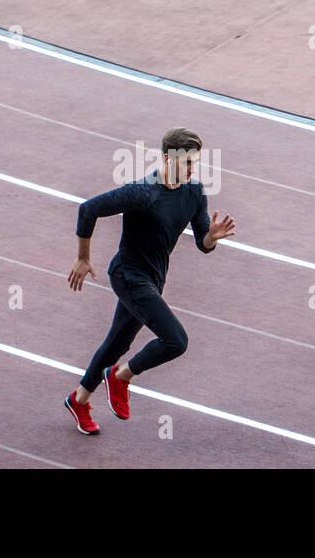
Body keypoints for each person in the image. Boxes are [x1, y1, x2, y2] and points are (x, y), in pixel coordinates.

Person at [63, 127, 236, 434]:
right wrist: (83, 257)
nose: (192, 169)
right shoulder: (143, 192)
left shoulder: (194, 192)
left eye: (195, 163)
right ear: (168, 158)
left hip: (154, 279)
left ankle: (79, 399)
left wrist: (212, 236)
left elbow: (202, 244)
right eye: (186, 163)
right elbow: (88, 209)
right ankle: (120, 377)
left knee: (117, 343)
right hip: (128, 276)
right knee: (175, 341)